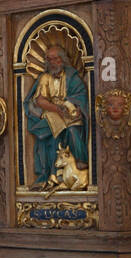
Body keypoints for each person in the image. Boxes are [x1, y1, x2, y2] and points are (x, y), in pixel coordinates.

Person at [24, 42, 89, 188]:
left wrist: (76, 107)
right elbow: (40, 100)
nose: (52, 63)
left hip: (70, 114)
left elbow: (81, 95)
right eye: (49, 59)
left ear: (62, 60)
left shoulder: (72, 77)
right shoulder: (45, 78)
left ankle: (80, 163)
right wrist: (56, 108)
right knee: (53, 135)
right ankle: (52, 175)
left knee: (73, 131)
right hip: (53, 113)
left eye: (55, 59)